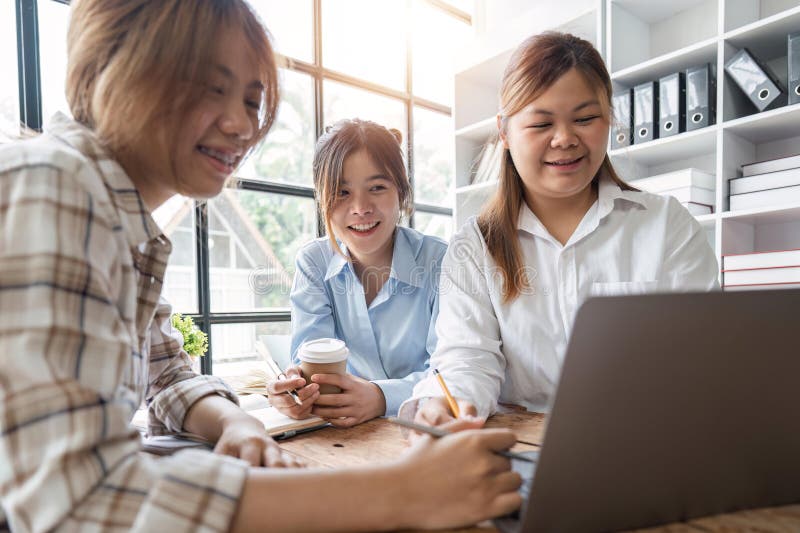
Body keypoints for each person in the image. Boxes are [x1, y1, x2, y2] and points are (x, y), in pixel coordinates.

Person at [0, 1, 521, 531]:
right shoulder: (56, 190)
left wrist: (234, 421)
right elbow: (78, 500)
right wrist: (400, 493)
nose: (243, 125)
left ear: (402, 196)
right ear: (120, 67)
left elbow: (168, 373)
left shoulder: (117, 223)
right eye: (211, 87)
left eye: (253, 100)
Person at [404, 32, 720, 426]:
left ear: (609, 119)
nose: (565, 139)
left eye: (585, 119)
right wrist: (449, 406)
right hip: (523, 451)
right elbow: (466, 359)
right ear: (504, 131)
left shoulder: (667, 225)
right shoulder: (475, 246)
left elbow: (702, 355)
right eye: (541, 123)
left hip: (644, 444)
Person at [267, 119, 446, 427]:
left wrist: (380, 397)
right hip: (346, 437)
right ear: (322, 198)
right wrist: (297, 390)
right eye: (342, 192)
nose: (361, 208)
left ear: (402, 193)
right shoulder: (313, 262)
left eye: (377, 188)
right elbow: (310, 357)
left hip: (428, 427)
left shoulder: (441, 260)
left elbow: (451, 372)